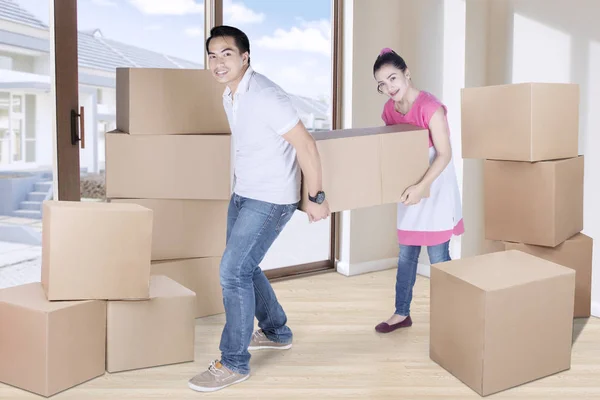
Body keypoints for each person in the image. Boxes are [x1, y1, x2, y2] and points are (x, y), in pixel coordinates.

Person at [188, 25, 331, 392]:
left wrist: (316, 197)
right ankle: (277, 331)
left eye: (227, 54)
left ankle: (234, 362)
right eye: (213, 55)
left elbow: (307, 145)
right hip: (243, 194)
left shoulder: (266, 94)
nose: (219, 62)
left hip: (271, 199)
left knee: (232, 272)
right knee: (244, 268)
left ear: (245, 57)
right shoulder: (231, 95)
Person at [372, 48, 464, 334]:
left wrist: (421, 187)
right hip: (409, 189)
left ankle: (453, 317)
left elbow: (445, 155)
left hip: (434, 188)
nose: (389, 88)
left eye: (393, 78)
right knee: (406, 255)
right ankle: (402, 313)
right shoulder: (389, 110)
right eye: (382, 84)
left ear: (406, 73)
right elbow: (394, 151)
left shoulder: (430, 108)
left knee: (438, 257)